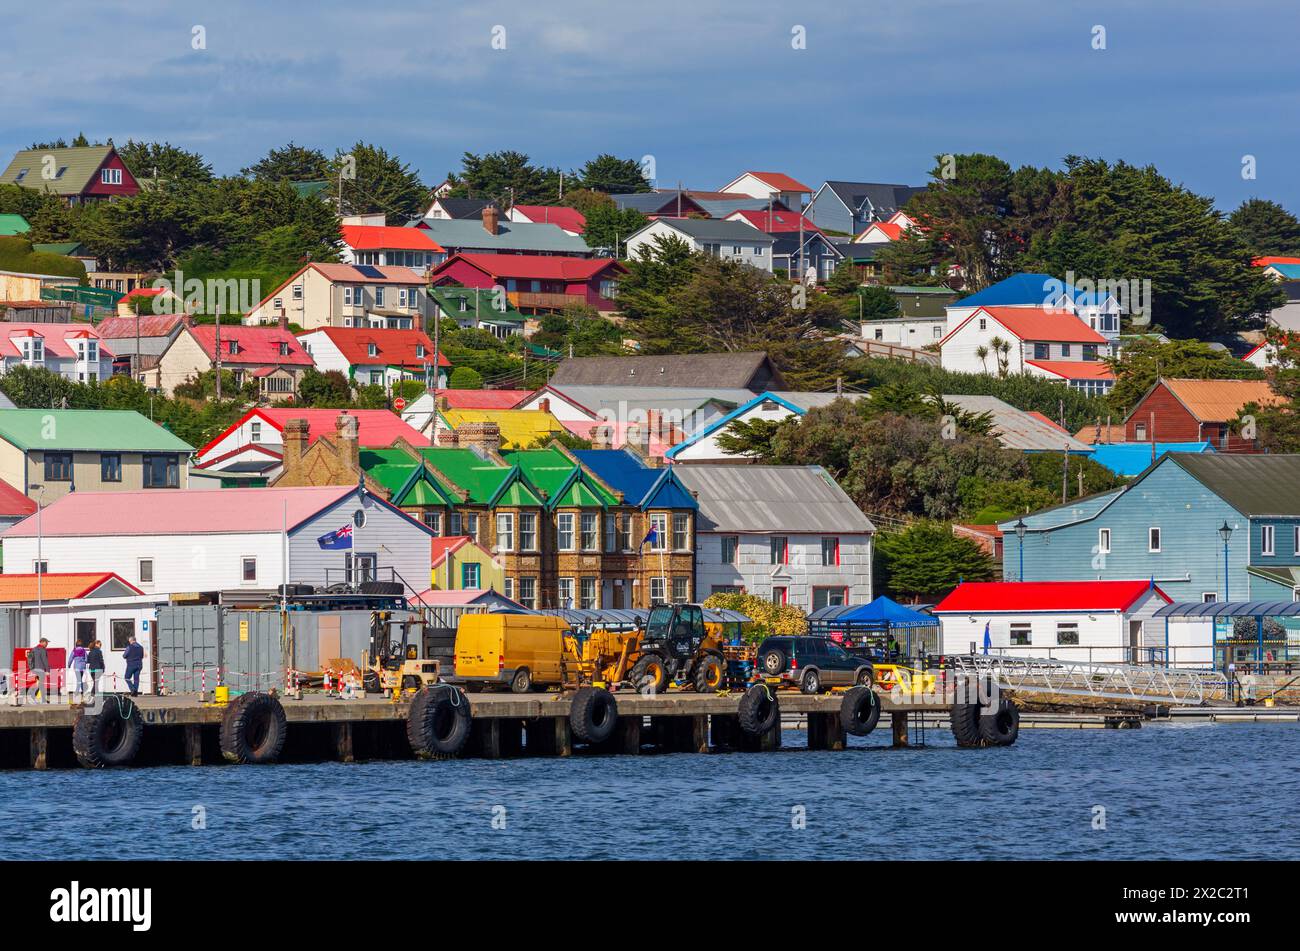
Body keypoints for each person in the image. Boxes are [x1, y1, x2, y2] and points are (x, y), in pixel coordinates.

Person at [27, 638, 50, 702]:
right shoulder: (42, 650)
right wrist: (47, 670)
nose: (47, 644)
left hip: (34, 669)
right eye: (46, 642)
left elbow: (29, 659)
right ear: (42, 642)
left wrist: (31, 668)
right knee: (41, 684)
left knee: (39, 683)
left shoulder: (34, 649)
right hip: (40, 669)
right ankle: (41, 698)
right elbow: (45, 660)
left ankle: (34, 695)